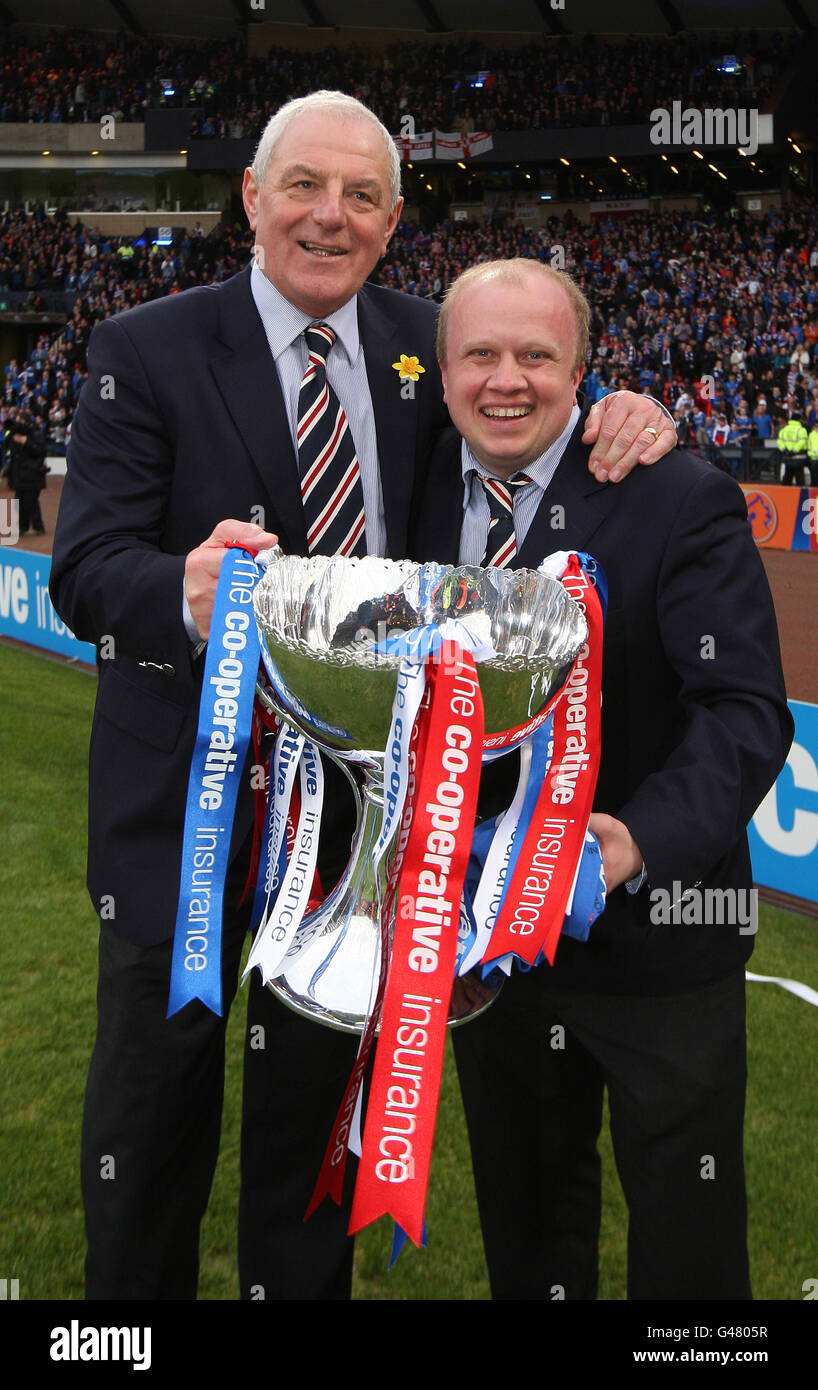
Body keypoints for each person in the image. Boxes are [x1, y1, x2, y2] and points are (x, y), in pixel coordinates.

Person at [49, 93, 676, 1302]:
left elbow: (521, 424)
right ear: (251, 197)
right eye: (303, 187)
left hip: (354, 825)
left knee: (301, 1127)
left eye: (360, 197)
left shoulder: (430, 341)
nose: (327, 217)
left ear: (392, 219)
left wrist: (620, 411)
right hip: (181, 808)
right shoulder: (148, 346)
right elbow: (82, 570)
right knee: (153, 1110)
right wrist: (184, 590)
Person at [412, 259, 793, 1300]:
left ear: (581, 369)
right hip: (488, 945)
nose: (506, 380)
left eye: (536, 356)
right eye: (480, 354)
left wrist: (625, 842)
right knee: (529, 1223)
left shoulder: (677, 494)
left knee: (686, 1233)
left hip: (657, 938)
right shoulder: (409, 490)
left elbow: (742, 712)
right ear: (440, 370)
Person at [2, 413, 47, 534]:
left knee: (31, 501)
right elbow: (8, 447)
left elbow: (40, 451)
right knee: (19, 500)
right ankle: (22, 527)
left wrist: (25, 441)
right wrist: (13, 437)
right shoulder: (14, 436)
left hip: (33, 473)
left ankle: (38, 527)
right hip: (20, 474)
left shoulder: (35, 434)